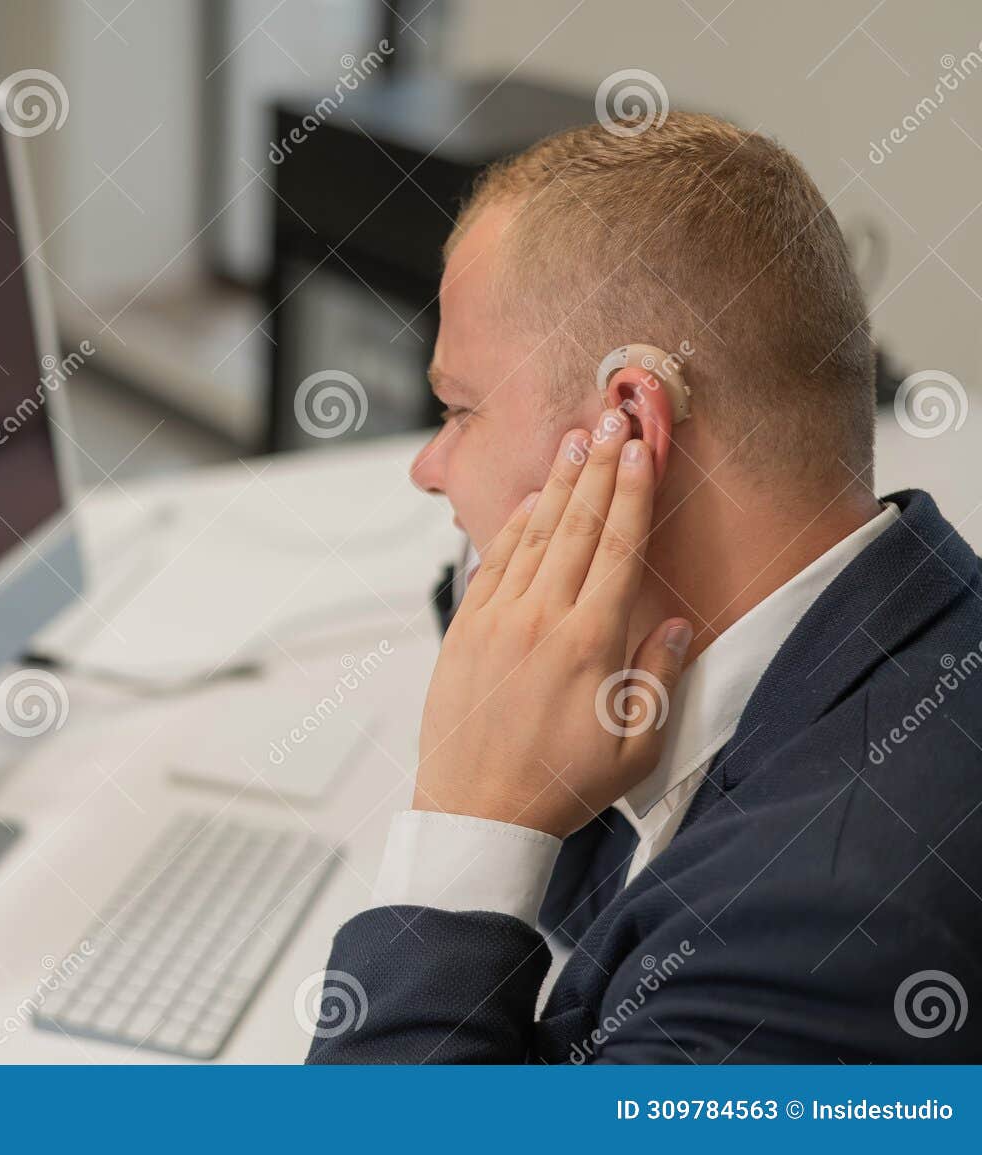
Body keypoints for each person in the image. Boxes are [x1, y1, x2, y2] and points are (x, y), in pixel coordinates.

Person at [306, 111, 982, 1063]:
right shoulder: (897, 625)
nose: (427, 465)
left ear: (627, 416)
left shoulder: (817, 926)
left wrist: (468, 821)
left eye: (461, 410)